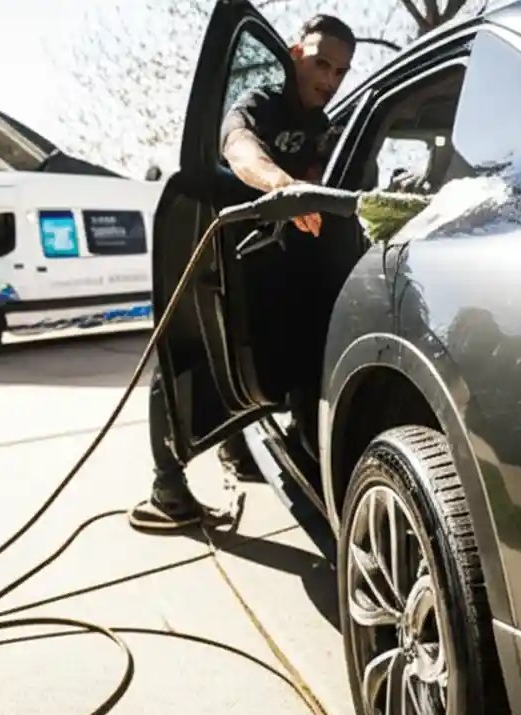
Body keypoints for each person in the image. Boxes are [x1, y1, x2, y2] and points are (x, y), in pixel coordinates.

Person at [129, 14, 356, 531]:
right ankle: (167, 487)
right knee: (182, 360)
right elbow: (238, 149)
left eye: (341, 71)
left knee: (249, 361)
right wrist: (280, 185)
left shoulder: (325, 128)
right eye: (321, 63)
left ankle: (238, 452)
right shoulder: (261, 105)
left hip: (275, 266)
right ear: (296, 54)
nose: (329, 79)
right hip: (217, 250)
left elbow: (332, 175)